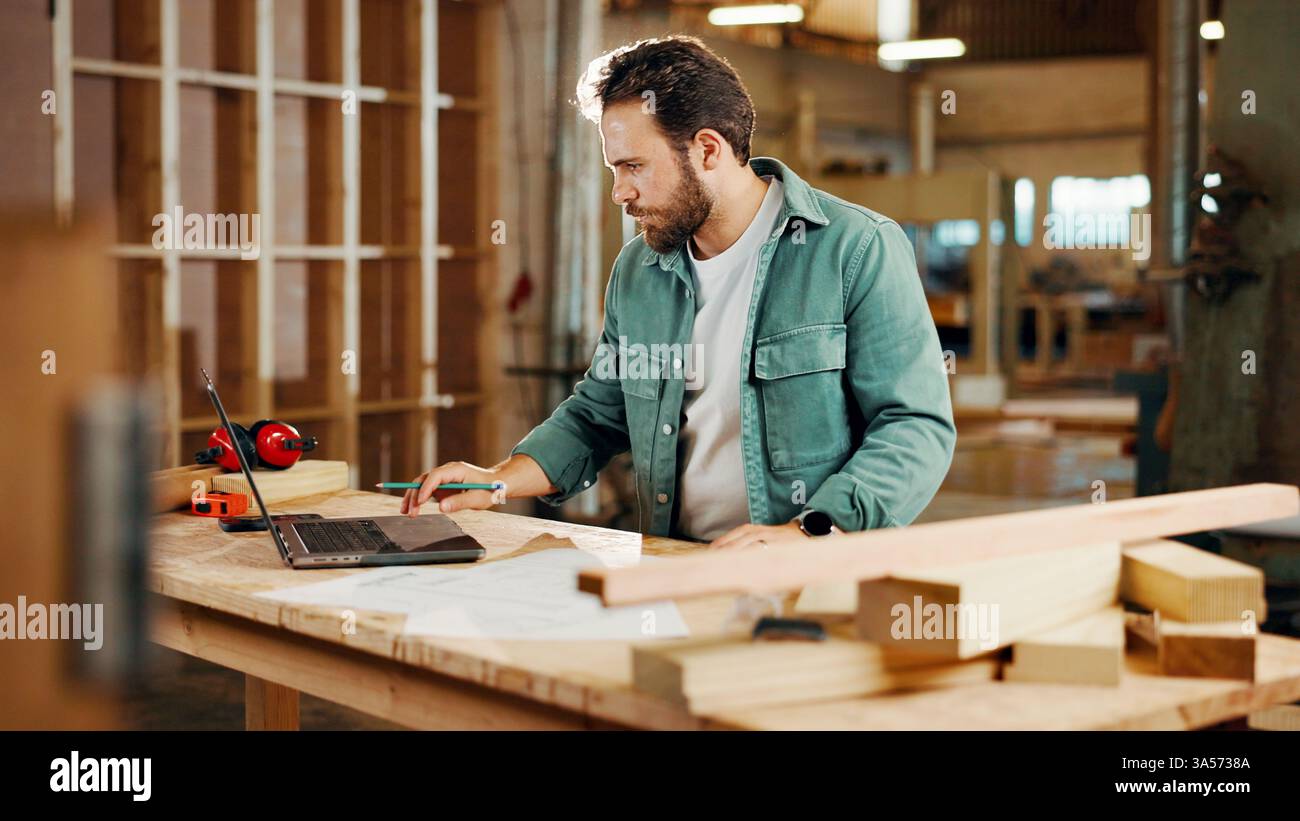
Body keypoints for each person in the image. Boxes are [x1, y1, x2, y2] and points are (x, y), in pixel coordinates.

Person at [403, 35, 955, 550]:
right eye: (614, 170)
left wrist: (809, 531)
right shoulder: (640, 269)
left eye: (633, 166)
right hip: (676, 565)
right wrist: (498, 482)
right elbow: (598, 414)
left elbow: (914, 428)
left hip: (811, 568)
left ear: (708, 149)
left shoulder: (856, 249)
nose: (620, 192)